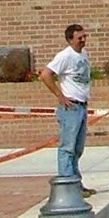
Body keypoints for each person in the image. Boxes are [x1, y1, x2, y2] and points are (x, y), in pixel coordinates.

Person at [39, 22, 94, 195]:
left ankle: (76, 183)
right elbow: (45, 74)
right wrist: (60, 95)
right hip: (71, 107)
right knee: (67, 148)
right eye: (79, 38)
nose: (83, 40)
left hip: (82, 106)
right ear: (70, 40)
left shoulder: (82, 54)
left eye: (84, 37)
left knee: (77, 149)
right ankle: (67, 187)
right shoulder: (65, 56)